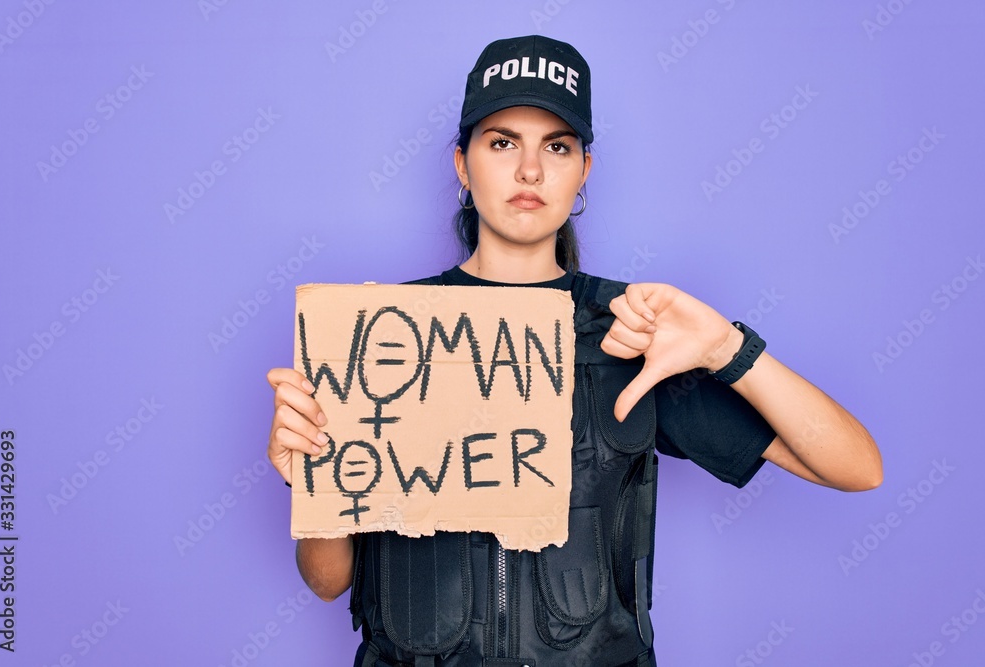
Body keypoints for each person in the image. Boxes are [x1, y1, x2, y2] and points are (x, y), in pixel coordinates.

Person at [265, 35, 882, 666]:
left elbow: (857, 467)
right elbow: (327, 581)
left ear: (583, 170)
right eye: (502, 142)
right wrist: (312, 479)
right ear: (461, 164)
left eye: (556, 147)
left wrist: (726, 347)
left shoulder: (637, 331)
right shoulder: (377, 337)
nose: (529, 171)